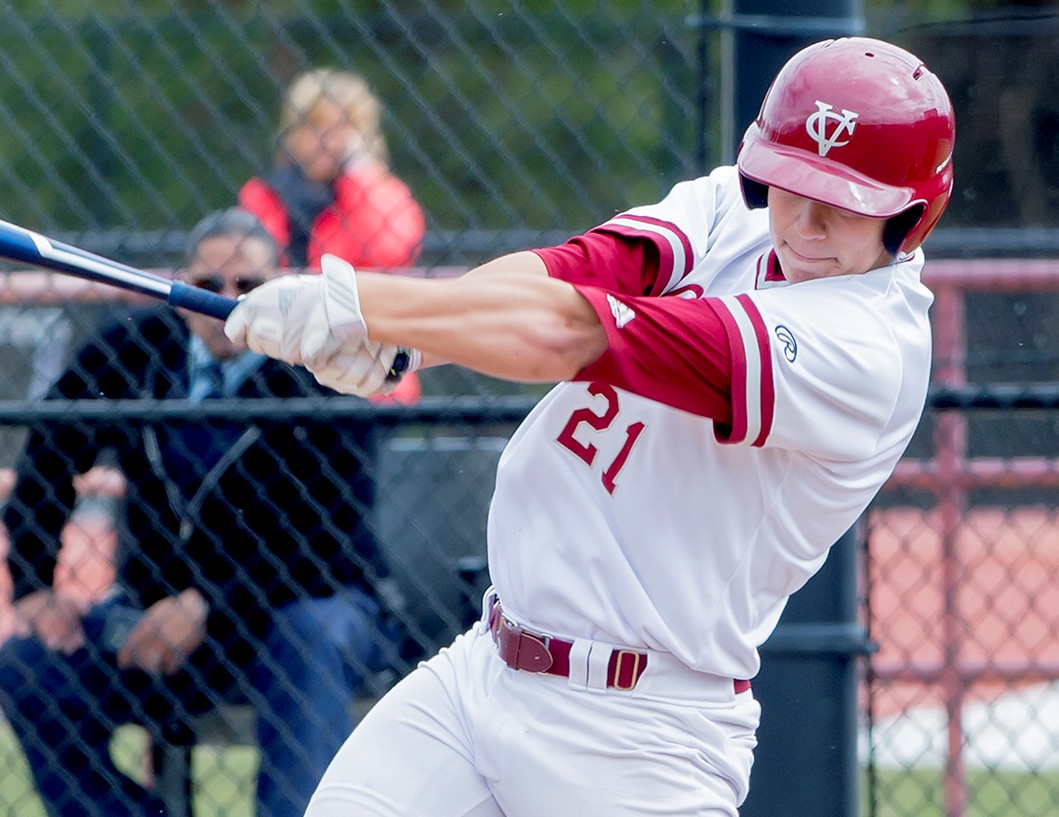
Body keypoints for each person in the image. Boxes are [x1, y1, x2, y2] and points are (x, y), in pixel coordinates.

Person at [224, 37, 954, 816]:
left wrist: (368, 303)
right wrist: (414, 343)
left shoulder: (868, 348)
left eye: (842, 205)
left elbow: (574, 334)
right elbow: (562, 274)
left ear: (910, 217)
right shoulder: (730, 208)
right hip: (482, 674)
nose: (803, 222)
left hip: (637, 734)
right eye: (787, 183)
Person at [0, 207, 393, 817]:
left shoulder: (324, 370)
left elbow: (329, 542)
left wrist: (208, 603)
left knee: (307, 635)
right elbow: (48, 451)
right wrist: (31, 584)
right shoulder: (132, 350)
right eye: (207, 286)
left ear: (282, 288)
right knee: (28, 667)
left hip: (302, 610)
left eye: (248, 287)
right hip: (163, 620)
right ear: (180, 289)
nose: (226, 302)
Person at [240, 68, 426, 271]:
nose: (326, 138)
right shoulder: (264, 194)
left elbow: (390, 253)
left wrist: (360, 173)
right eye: (313, 125)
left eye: (342, 126)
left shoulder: (387, 194)